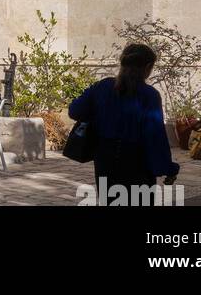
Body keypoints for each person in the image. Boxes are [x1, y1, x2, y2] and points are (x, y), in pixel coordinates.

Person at [68, 43, 179, 190]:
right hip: (137, 164)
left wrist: (100, 115)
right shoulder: (149, 95)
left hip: (105, 161)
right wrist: (168, 168)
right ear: (147, 68)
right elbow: (155, 137)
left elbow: (75, 110)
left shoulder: (103, 87)